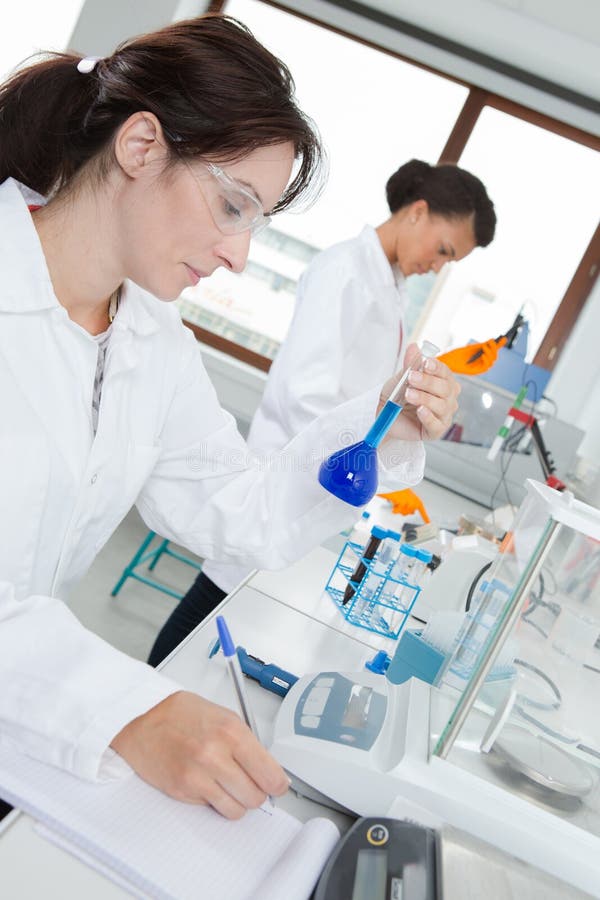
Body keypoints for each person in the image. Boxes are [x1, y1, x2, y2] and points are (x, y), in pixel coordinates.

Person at [0, 14, 460, 820]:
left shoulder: (150, 337)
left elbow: (234, 511)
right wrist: (127, 707)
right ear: (141, 147)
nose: (240, 254)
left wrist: (383, 426)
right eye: (231, 205)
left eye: (257, 221)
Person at [149, 158, 495, 666]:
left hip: (317, 480)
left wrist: (392, 433)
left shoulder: (389, 286)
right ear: (418, 212)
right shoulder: (344, 271)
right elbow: (302, 396)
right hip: (281, 477)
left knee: (228, 619)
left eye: (450, 263)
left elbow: (362, 397)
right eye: (443, 250)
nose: (437, 266)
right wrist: (362, 448)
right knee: (209, 611)